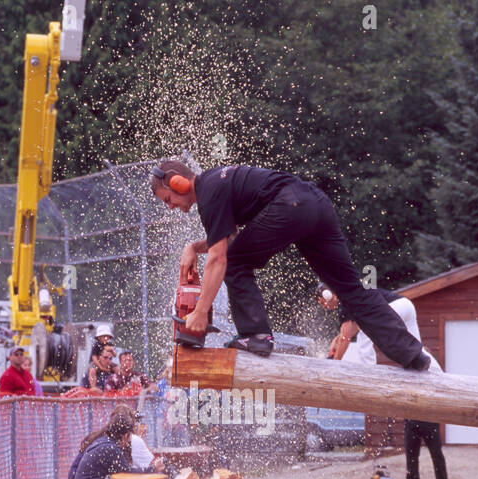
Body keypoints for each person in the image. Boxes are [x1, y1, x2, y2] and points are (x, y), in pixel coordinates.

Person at [153, 158, 430, 369]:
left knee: (235, 263)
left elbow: (220, 257)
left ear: (178, 182)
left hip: (291, 205)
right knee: (351, 289)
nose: (171, 207)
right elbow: (230, 238)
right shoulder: (216, 183)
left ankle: (256, 336)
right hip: (316, 204)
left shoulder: (209, 193)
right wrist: (192, 247)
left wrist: (200, 311)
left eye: (169, 199)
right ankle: (413, 355)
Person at [319, 287, 448, 479]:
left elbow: (345, 338)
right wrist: (335, 344)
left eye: (323, 302)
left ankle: (370, 373)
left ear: (329, 295)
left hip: (396, 307)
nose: (324, 306)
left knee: (366, 334)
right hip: (406, 305)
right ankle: (438, 376)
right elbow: (342, 336)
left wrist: (331, 367)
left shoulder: (345, 301)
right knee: (416, 350)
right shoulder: (352, 297)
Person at [64, 406, 135, 479]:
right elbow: (126, 474)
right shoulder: (109, 446)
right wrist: (152, 470)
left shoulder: (98, 438)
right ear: (126, 434)